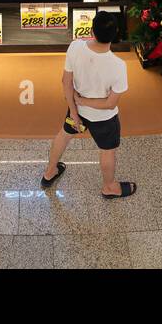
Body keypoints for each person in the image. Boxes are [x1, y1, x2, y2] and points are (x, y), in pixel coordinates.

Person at [39, 11, 135, 199]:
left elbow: (65, 82)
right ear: (115, 35)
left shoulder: (75, 47)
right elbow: (110, 104)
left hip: (77, 110)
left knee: (64, 135)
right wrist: (83, 102)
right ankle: (109, 187)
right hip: (104, 119)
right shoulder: (118, 66)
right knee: (107, 151)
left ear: (92, 30)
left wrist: (75, 111)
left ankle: (49, 172)